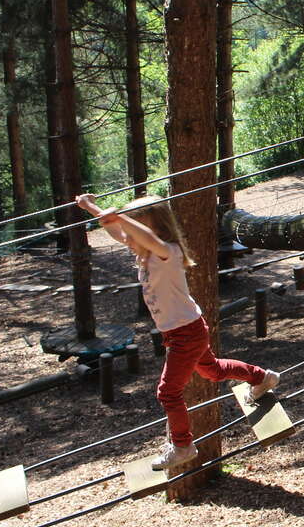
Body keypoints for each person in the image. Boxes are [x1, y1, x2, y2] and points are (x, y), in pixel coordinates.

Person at [75, 193, 281, 471]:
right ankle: (262, 377)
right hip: (185, 329)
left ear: (155, 229)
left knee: (168, 393)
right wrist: (92, 208)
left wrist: (119, 216)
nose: (128, 240)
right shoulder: (145, 252)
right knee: (214, 371)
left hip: (186, 332)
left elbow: (143, 235)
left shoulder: (167, 253)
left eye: (134, 233)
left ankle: (183, 445)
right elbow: (118, 231)